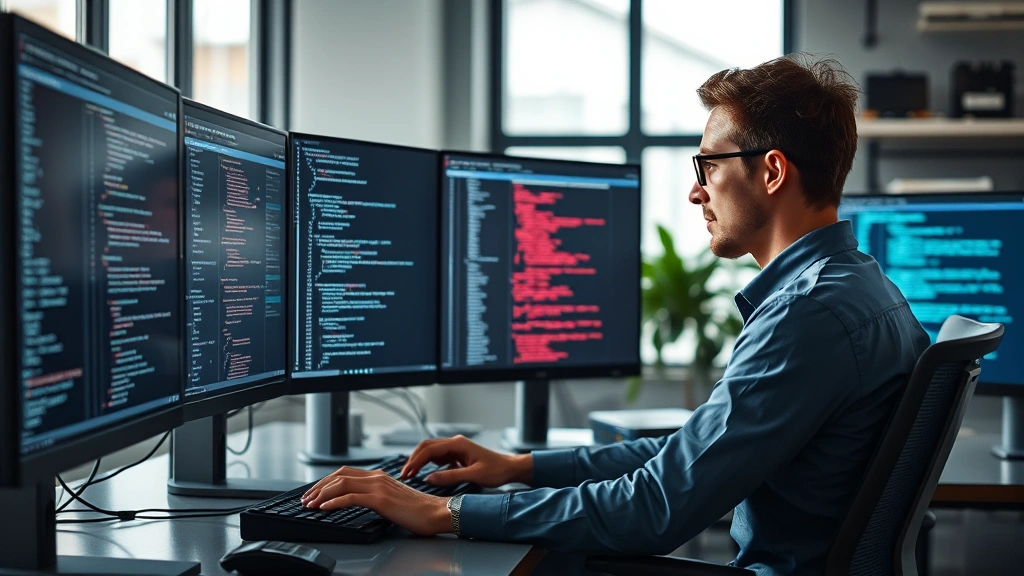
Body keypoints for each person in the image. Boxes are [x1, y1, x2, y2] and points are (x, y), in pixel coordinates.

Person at [300, 55, 930, 575]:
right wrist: (519, 466)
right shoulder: (860, 288)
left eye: (708, 164)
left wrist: (445, 514)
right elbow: (688, 457)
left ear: (770, 171)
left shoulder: (807, 315)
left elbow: (657, 510)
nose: (695, 190)